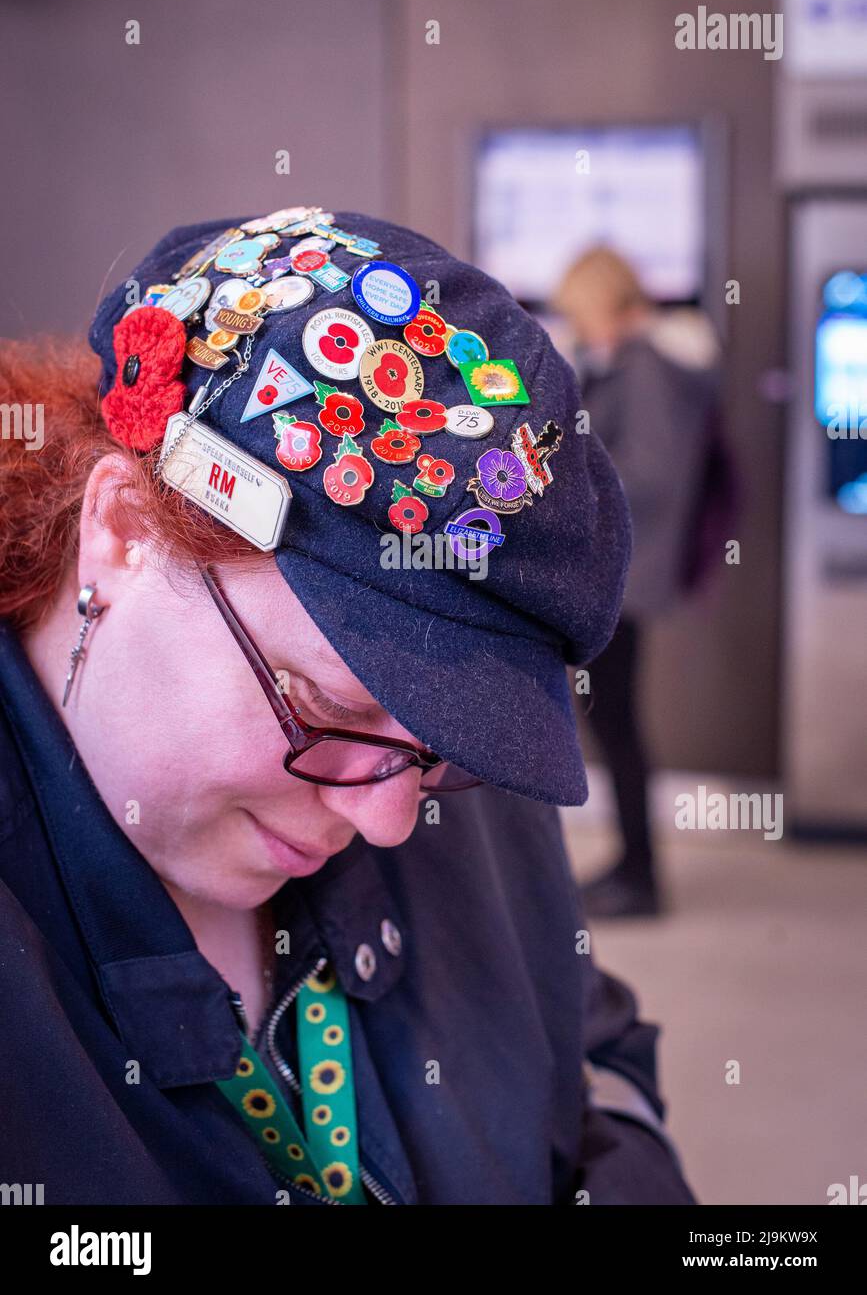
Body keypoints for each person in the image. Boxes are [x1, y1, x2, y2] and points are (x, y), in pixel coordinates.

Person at [0, 207, 696, 1204]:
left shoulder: (429, 748)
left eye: (440, 750)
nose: (390, 813)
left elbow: (596, 1064)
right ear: (121, 531)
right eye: (328, 704)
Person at [555, 246, 722, 919]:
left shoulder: (647, 367)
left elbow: (649, 475)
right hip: (622, 572)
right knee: (614, 724)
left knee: (618, 726)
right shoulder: (629, 363)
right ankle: (631, 866)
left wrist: (568, 478)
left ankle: (640, 878)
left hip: (623, 575)